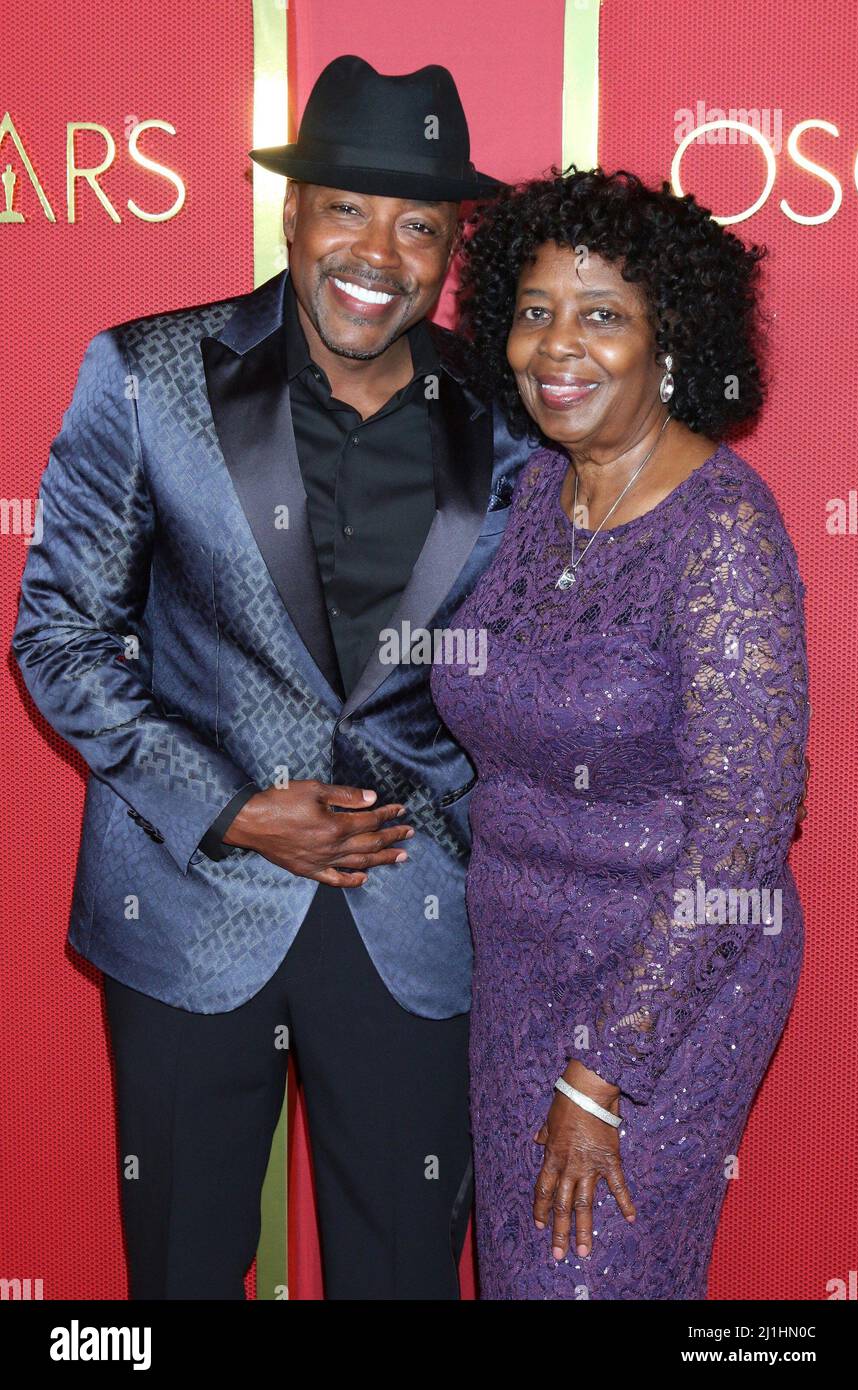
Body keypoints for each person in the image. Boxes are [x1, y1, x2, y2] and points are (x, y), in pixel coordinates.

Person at [11, 55, 535, 1300]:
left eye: (418, 223)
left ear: (452, 246)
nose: (378, 251)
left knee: (402, 1271)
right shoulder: (147, 373)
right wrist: (233, 807)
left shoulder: (508, 416)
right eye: (346, 206)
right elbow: (59, 634)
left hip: (416, 913)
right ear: (290, 213)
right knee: (183, 1270)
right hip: (190, 898)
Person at [430, 167, 810, 1299]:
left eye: (601, 315)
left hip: (665, 982)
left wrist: (602, 1072)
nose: (559, 345)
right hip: (514, 968)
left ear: (669, 340)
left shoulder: (721, 533)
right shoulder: (539, 489)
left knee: (583, 1278)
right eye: (535, 310)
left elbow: (744, 832)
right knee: (519, 1273)